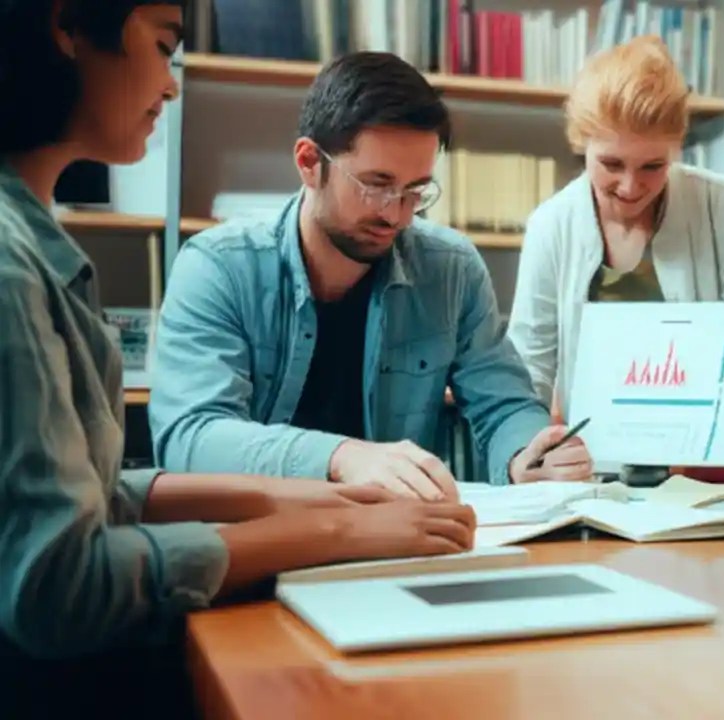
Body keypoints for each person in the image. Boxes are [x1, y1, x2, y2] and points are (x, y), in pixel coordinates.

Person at [0, 1, 475, 715]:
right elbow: (59, 587)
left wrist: (319, 499)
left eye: (415, 193)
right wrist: (332, 526)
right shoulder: (16, 267)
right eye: (164, 45)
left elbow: (98, 494)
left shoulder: (34, 245)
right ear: (66, 29)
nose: (171, 83)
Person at [149, 52, 593, 492]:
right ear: (308, 163)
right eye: (376, 185)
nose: (397, 214)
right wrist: (341, 458)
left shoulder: (451, 268)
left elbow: (505, 406)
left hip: (397, 541)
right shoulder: (218, 266)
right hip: (260, 538)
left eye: (416, 190)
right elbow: (191, 436)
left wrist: (528, 455)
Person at [507, 35, 724, 452]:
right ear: (581, 143)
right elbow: (528, 371)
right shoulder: (551, 225)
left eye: (653, 166)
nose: (631, 187)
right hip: (589, 467)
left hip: (705, 464)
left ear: (677, 148)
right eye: (611, 164)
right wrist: (531, 452)